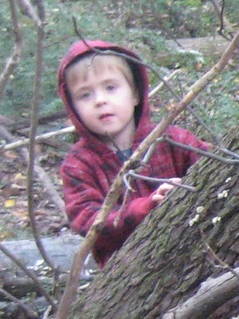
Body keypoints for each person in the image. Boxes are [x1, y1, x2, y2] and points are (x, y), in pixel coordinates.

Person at [58, 39, 208, 266]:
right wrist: (144, 208)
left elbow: (217, 173)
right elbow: (87, 221)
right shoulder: (78, 165)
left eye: (111, 88)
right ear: (73, 108)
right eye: (85, 95)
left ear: (135, 94)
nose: (100, 101)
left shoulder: (173, 140)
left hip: (195, 254)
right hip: (130, 271)